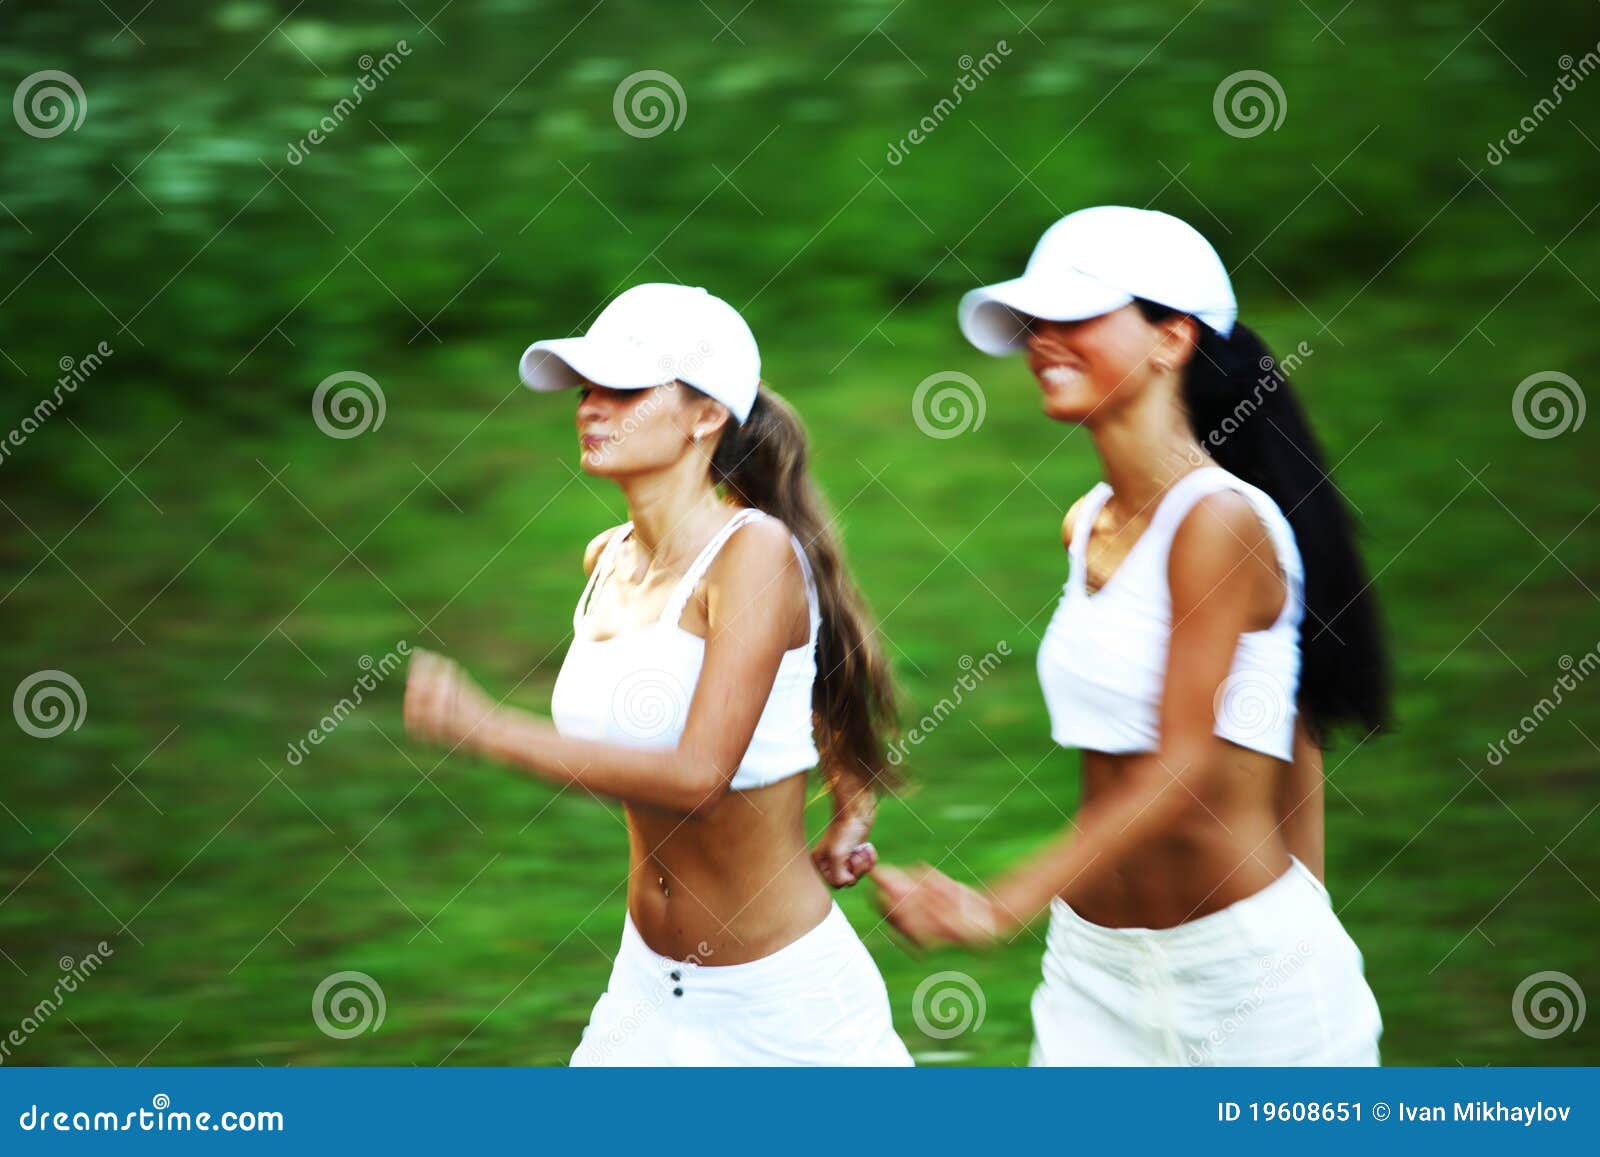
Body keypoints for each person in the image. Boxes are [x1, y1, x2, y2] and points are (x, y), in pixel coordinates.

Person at [875, 206, 1391, 1066]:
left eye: (1074, 318)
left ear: (1171, 338)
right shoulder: (1093, 525)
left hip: (1249, 985)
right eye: (1035, 322)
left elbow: (1187, 767)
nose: (1043, 339)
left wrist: (995, 905)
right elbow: (1285, 715)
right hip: (1094, 979)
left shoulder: (1220, 523)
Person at [404, 282, 912, 1066]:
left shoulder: (753, 556)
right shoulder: (607, 561)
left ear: (707, 413)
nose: (590, 407)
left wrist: (489, 728)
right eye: (586, 388)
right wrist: (851, 790)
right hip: (645, 991)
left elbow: (700, 774)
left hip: (787, 1010)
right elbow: (805, 675)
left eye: (625, 389)